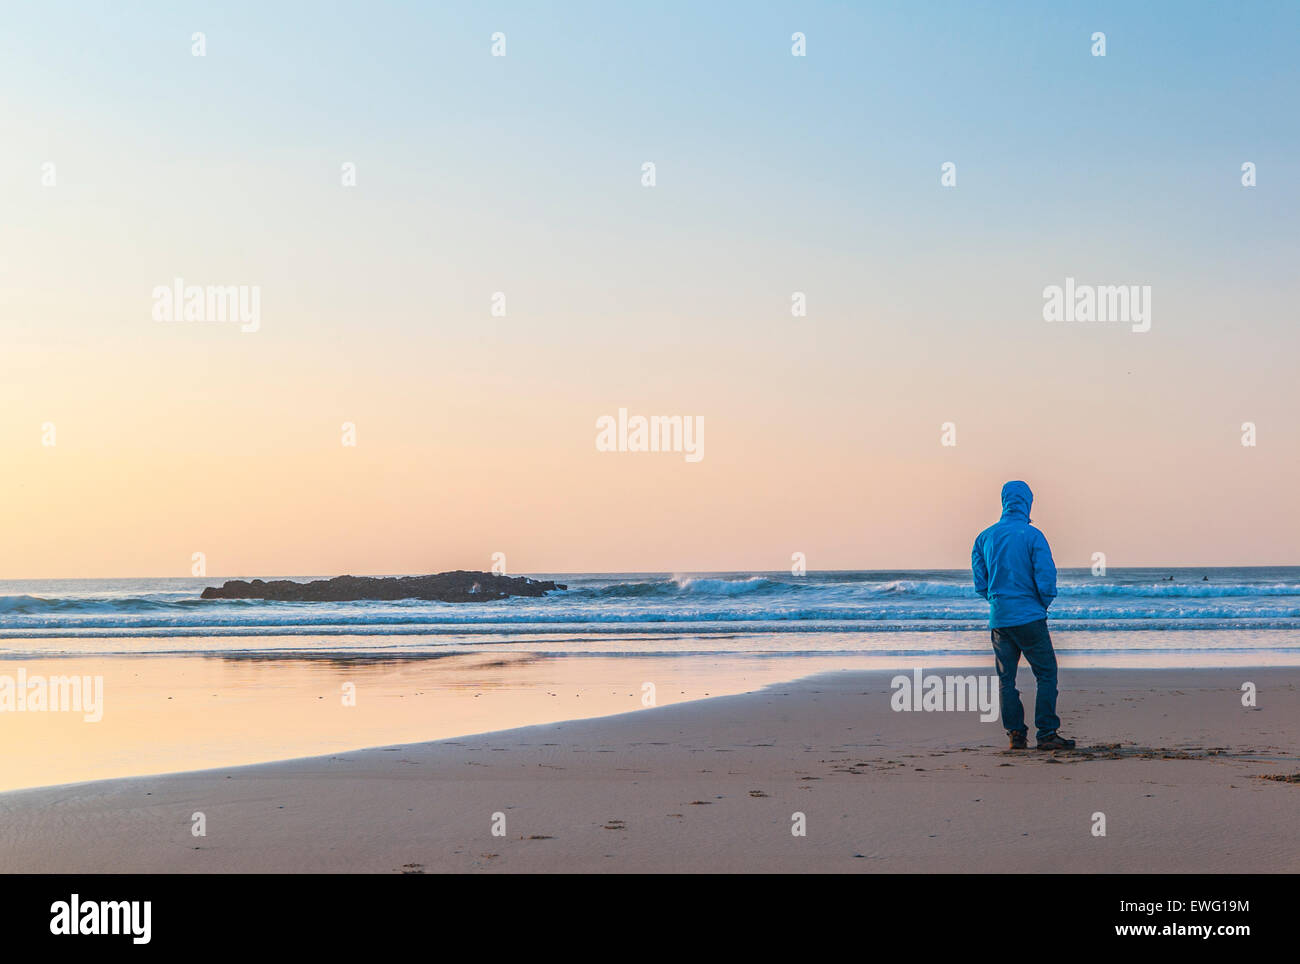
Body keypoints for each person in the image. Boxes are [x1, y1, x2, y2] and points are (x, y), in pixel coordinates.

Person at [971, 481, 1075, 751]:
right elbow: (1046, 577)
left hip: (1000, 619)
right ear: (1027, 502)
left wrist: (998, 602)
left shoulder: (984, 537)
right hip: (1029, 616)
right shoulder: (1032, 535)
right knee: (1046, 673)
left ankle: (1016, 735)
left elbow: (981, 584)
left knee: (1006, 680)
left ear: (1004, 501)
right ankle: (1047, 733)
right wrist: (1043, 604)